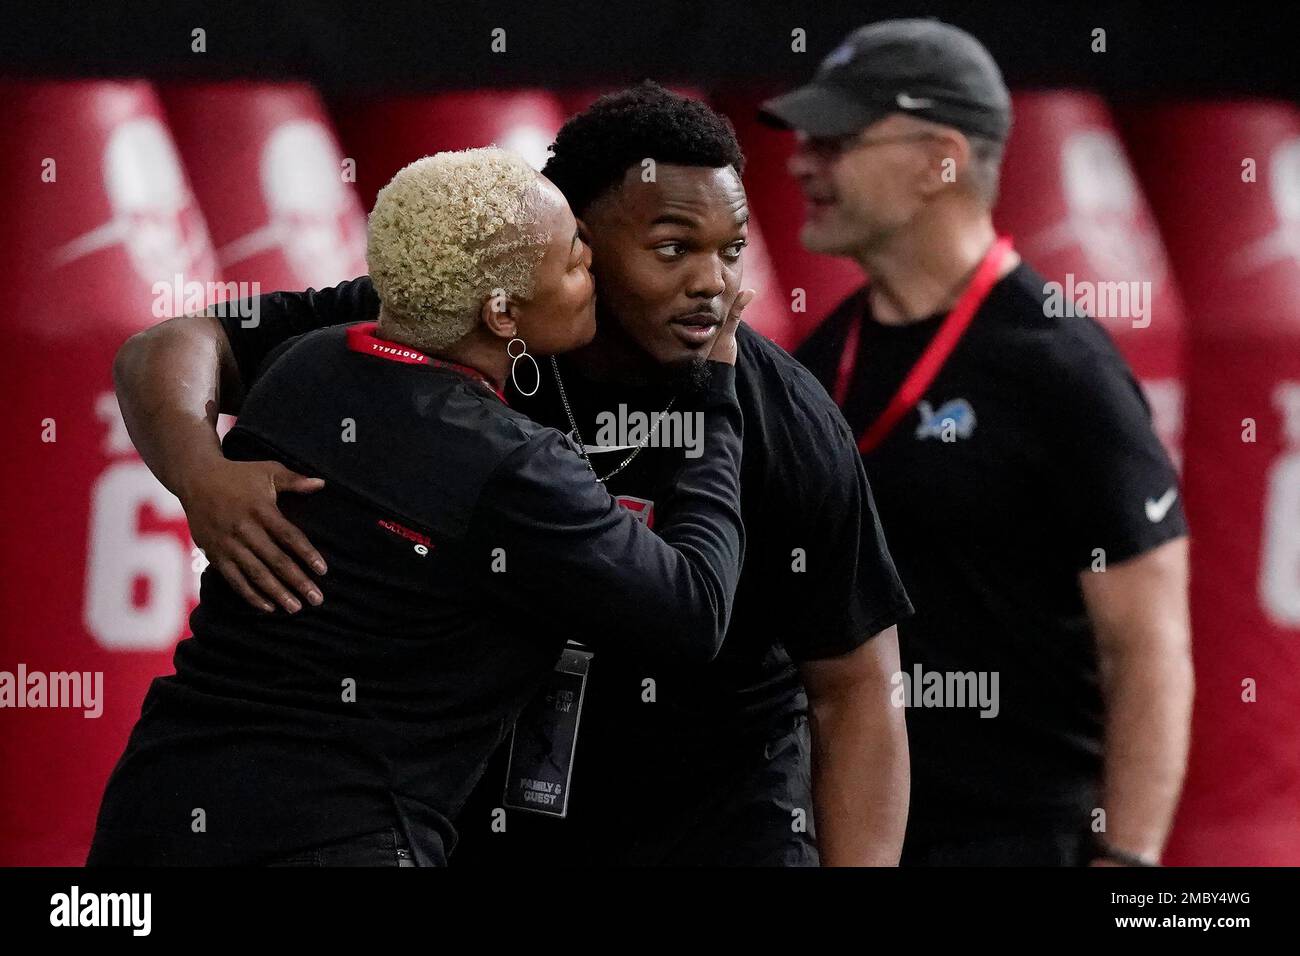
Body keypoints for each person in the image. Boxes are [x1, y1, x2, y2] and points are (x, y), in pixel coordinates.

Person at [109, 84, 914, 867]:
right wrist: (198, 473)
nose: (716, 283)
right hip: (462, 821)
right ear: (570, 241)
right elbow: (170, 346)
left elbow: (856, 689)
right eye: (673, 248)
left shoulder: (783, 414)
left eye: (732, 250)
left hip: (708, 825)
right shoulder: (446, 319)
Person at [761, 18, 1194, 866]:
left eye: (836, 139)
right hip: (849, 833)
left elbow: (1147, 644)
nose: (801, 162)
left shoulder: (1060, 367)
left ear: (941, 160)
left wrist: (1127, 861)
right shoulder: (816, 362)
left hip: (1016, 840)